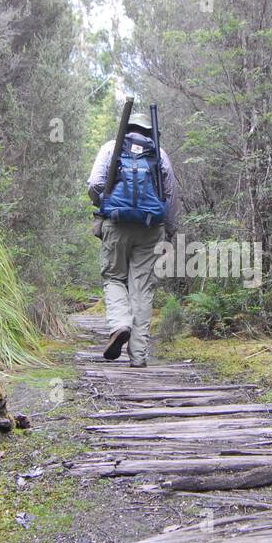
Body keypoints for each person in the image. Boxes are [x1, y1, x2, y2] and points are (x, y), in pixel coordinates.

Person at [87, 110, 178, 367]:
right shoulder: (159, 154)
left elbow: (95, 184)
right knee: (142, 289)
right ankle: (138, 356)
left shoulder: (111, 148)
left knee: (114, 277)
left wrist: (105, 203)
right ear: (150, 131)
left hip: (116, 224)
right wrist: (168, 230)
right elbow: (170, 196)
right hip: (151, 228)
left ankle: (120, 325)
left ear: (127, 127)